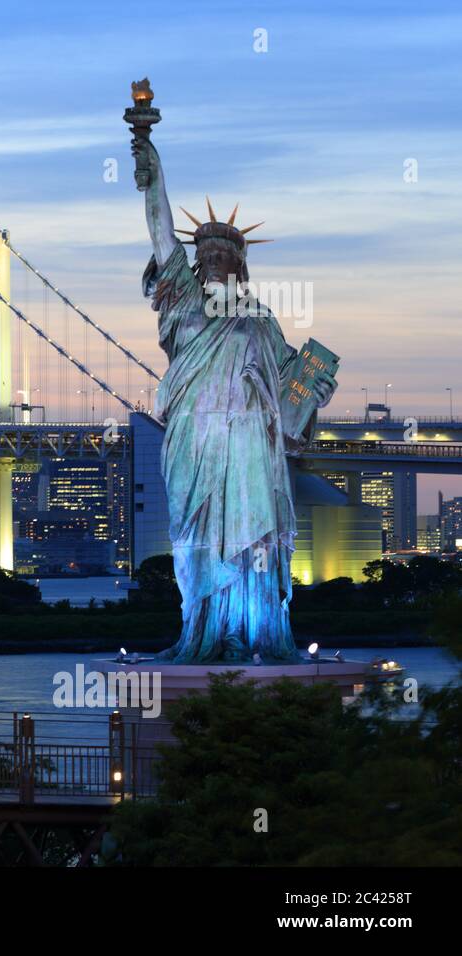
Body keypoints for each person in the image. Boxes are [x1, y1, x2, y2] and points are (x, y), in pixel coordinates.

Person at [132, 136, 335, 663]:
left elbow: (293, 386)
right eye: (205, 255)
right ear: (194, 266)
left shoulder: (261, 322)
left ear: (240, 267)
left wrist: (316, 392)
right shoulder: (183, 301)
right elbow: (159, 233)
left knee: (255, 541)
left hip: (250, 444)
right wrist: (151, 165)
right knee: (199, 537)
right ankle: (201, 631)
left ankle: (258, 634)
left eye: (224, 255)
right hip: (197, 441)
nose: (215, 261)